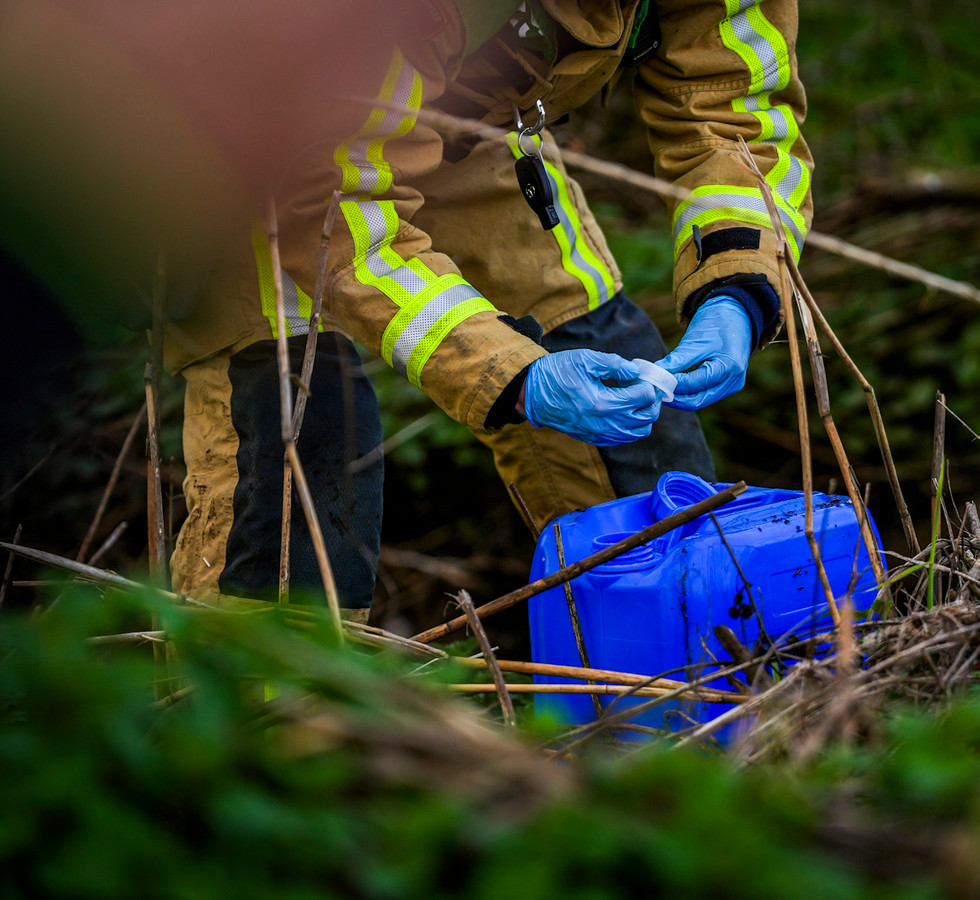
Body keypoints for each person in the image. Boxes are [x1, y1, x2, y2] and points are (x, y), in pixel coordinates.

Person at [166, 0, 813, 623]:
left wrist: (736, 289)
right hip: (258, 156)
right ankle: (267, 720)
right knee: (305, 435)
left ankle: (678, 703)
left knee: (640, 446)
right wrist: (509, 373)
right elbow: (326, 210)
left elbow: (737, 115)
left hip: (461, 127)